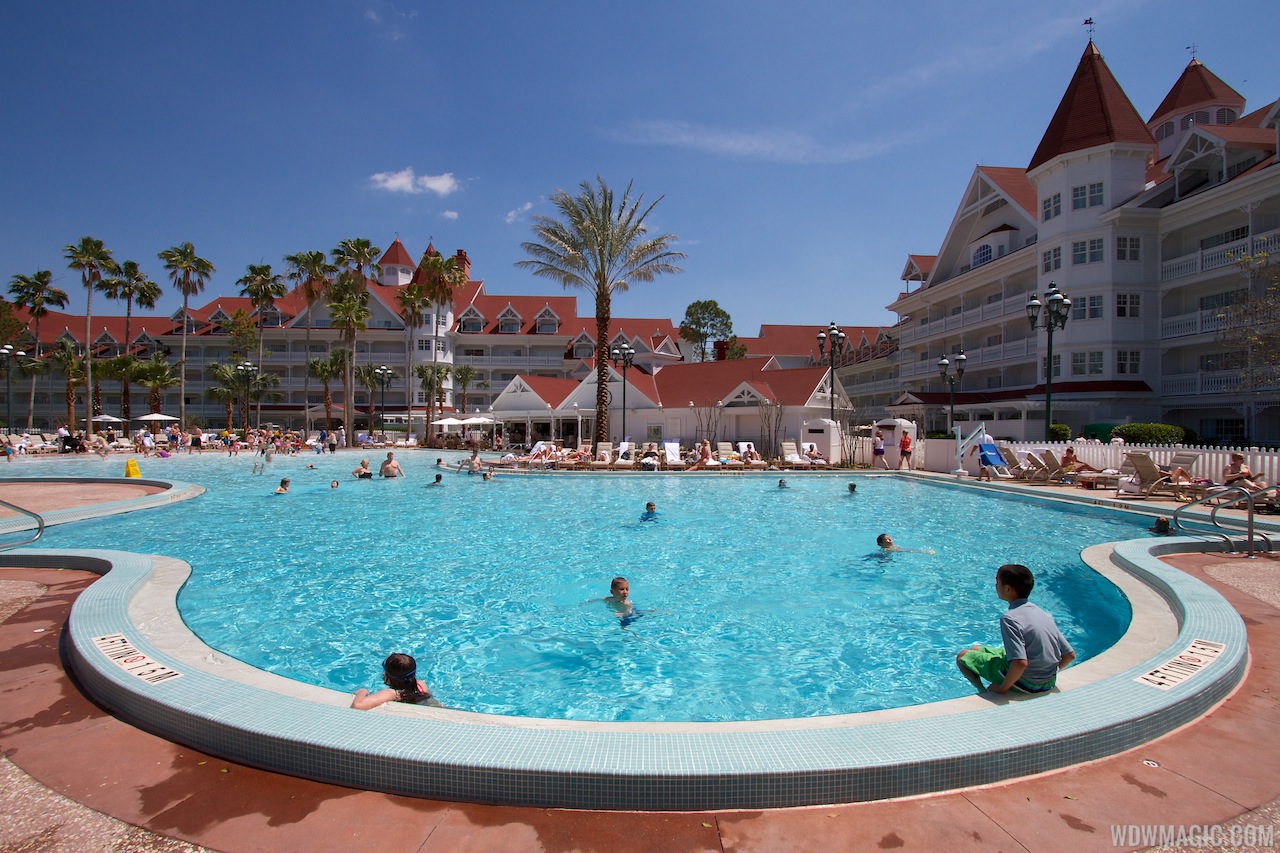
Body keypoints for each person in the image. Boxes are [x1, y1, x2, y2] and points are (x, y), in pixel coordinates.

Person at [955, 564, 1076, 695]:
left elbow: (1020, 662)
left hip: (1025, 683)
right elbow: (1070, 655)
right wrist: (1046, 676)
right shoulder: (1043, 614)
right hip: (1049, 682)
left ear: (1008, 589)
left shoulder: (1010, 619)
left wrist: (1002, 688)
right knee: (975, 649)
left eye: (997, 582)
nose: (995, 586)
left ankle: (981, 690)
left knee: (963, 657)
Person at [350, 653, 433, 710]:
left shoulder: (393, 693)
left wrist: (362, 691)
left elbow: (358, 705)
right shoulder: (421, 685)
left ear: (388, 675)